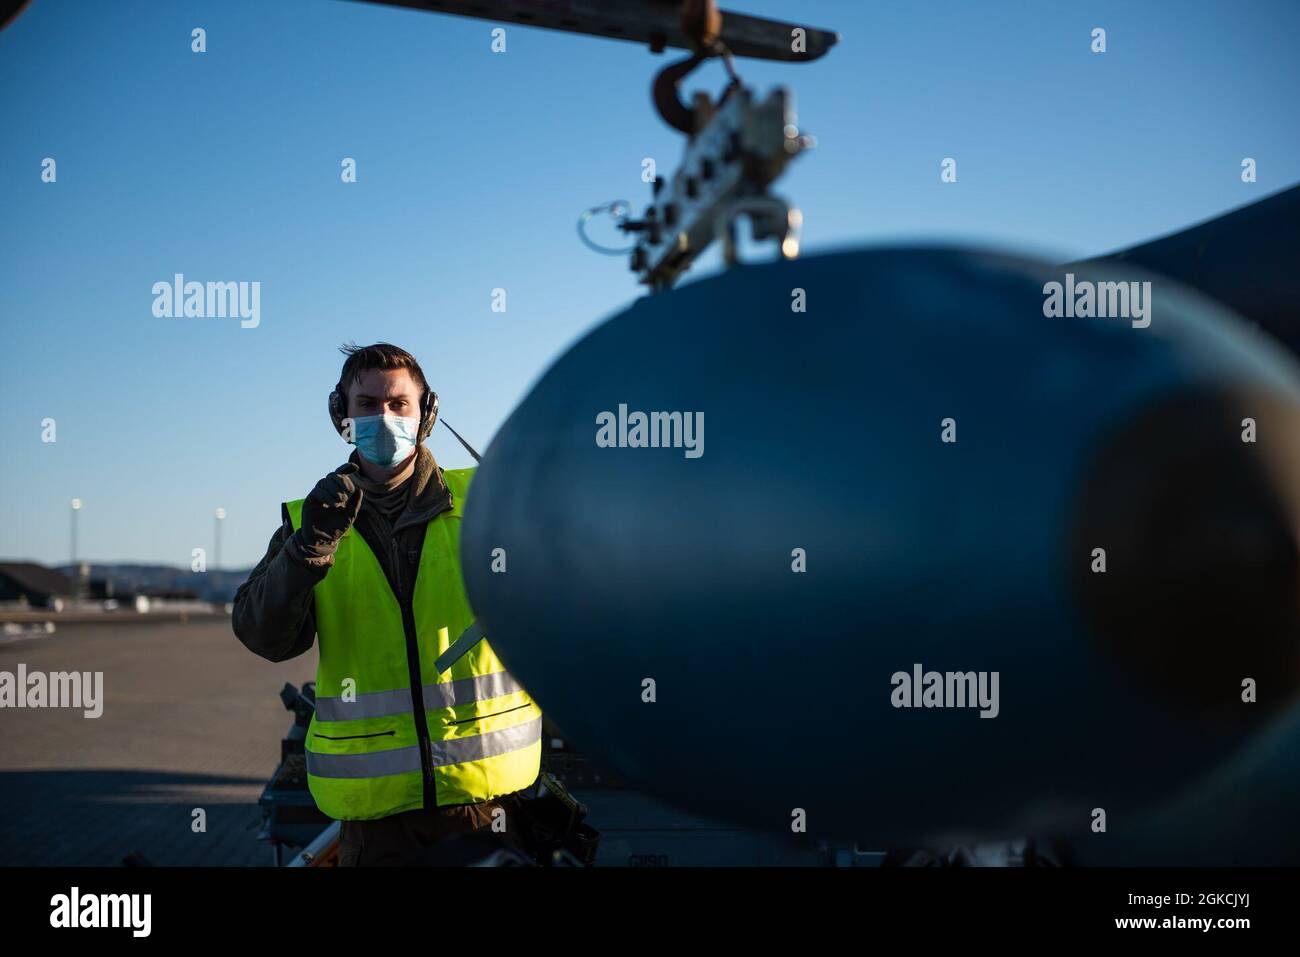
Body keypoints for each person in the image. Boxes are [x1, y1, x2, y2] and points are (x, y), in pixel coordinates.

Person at [233, 342, 542, 866]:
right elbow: (263, 636)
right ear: (342, 415)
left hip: (487, 801)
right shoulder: (307, 521)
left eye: (399, 403)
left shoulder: (487, 503)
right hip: (374, 820)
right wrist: (307, 550)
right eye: (367, 404)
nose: (383, 416)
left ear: (426, 414)